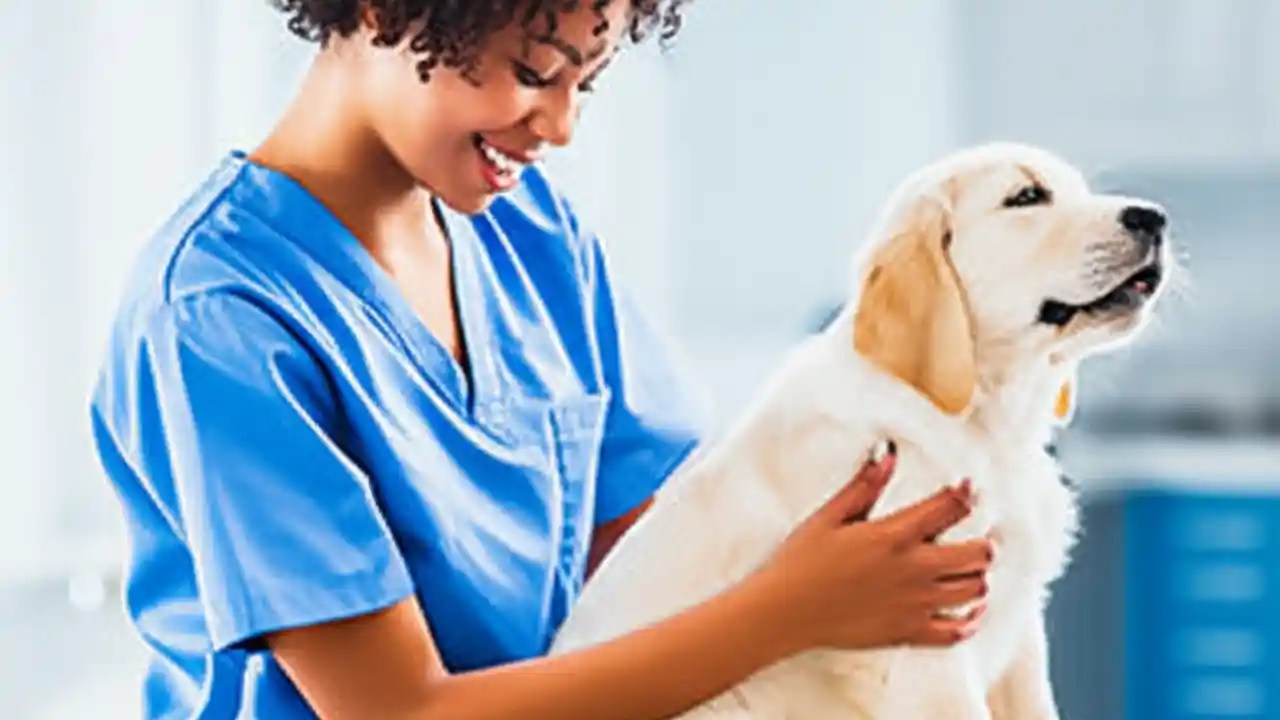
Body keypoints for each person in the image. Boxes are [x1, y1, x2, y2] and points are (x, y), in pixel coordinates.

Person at [88, 1, 995, 718]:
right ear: (383, 9)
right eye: (535, 73)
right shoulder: (222, 315)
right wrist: (791, 609)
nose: (558, 127)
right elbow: (400, 714)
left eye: (585, 85)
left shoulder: (533, 237)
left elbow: (662, 553)